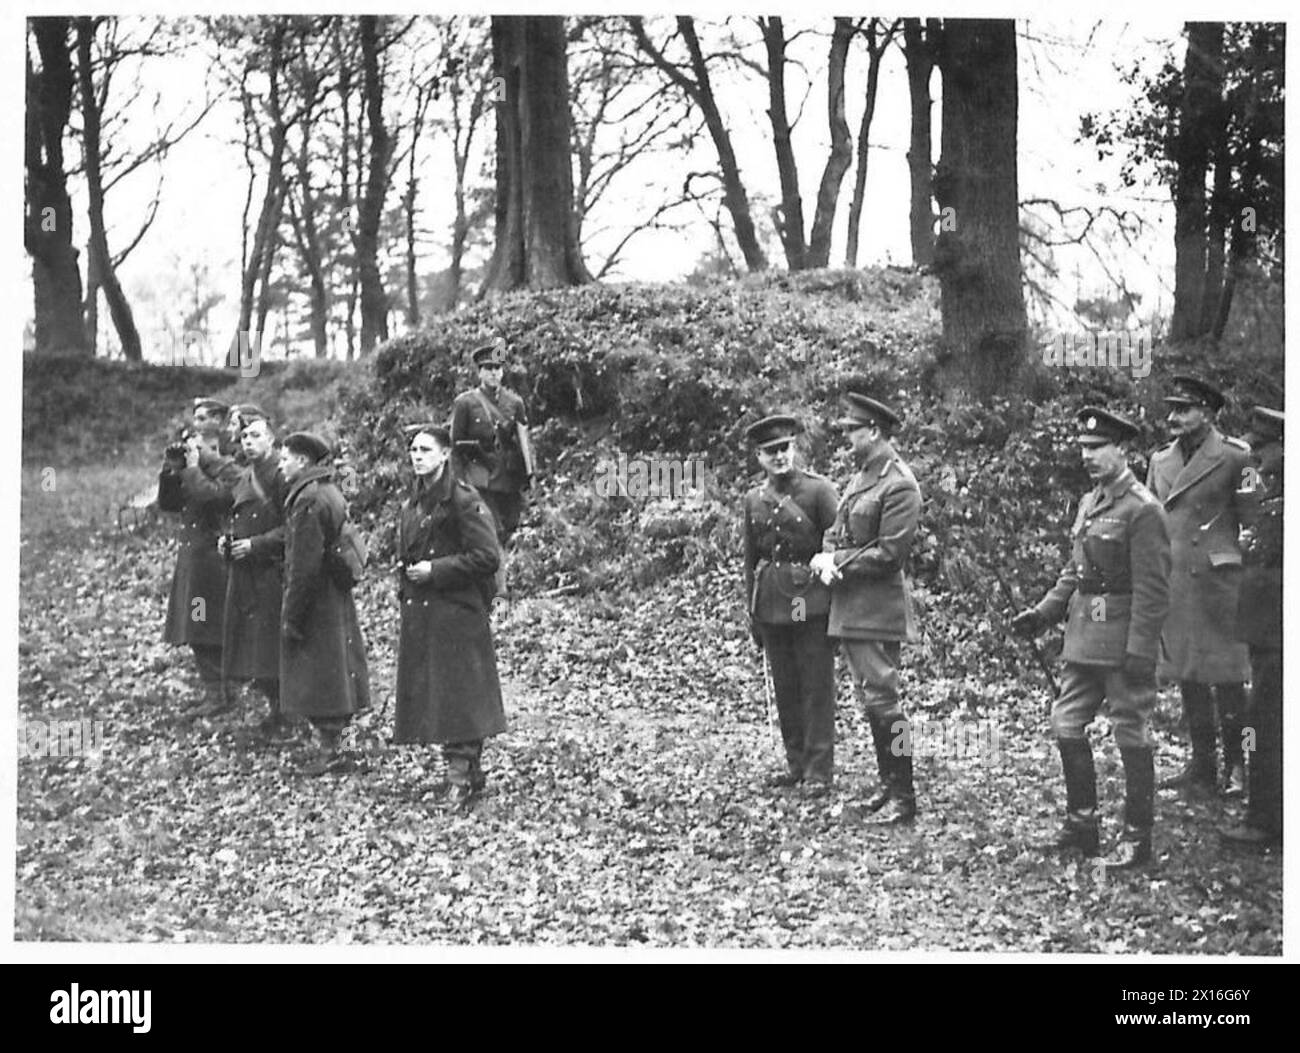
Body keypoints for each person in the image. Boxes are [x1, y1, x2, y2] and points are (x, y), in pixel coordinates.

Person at [1013, 407, 1171, 869]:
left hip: (1122, 642)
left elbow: (1154, 590)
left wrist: (1141, 650)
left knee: (1130, 734)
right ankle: (1082, 825)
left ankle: (1137, 839)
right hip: (1083, 639)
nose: (1088, 456)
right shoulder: (1090, 502)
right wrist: (1044, 613)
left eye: (1097, 448)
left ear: (1123, 450)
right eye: (1084, 448)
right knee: (1065, 723)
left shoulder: (1143, 510)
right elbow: (1075, 570)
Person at [810, 392, 922, 825]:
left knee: (884, 699)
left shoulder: (899, 484)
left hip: (876, 607)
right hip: (852, 603)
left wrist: (836, 561)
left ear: (874, 432)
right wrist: (827, 554)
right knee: (870, 699)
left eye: (853, 431)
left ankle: (904, 794)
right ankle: (888, 785)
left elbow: (890, 553)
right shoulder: (862, 478)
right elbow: (841, 531)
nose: (847, 439)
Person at [1146, 375, 1259, 797]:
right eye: (1172, 408)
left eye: (1184, 409)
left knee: (1228, 680)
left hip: (1219, 583)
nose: (1173, 417)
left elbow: (1257, 523)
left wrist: (1244, 567)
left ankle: (1238, 768)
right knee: (1188, 676)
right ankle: (1202, 767)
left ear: (1207, 413)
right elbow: (1154, 521)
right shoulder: (1160, 462)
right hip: (1177, 582)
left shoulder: (1236, 458)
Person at [393, 423, 506, 808]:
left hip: (458, 613)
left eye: (426, 449)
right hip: (425, 613)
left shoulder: (462, 499)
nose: (417, 456)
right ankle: (467, 774)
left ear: (445, 455)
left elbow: (488, 556)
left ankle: (460, 779)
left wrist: (436, 570)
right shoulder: (415, 500)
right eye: (413, 450)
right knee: (441, 697)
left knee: (459, 698)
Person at [742, 414, 839, 794]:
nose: (780, 457)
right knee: (785, 685)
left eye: (784, 449)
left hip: (808, 601)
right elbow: (750, 560)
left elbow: (837, 540)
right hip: (771, 604)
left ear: (793, 449)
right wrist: (752, 612)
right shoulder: (753, 499)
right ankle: (796, 762)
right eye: (771, 452)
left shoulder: (818, 491)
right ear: (759, 457)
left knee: (815, 684)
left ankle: (818, 770)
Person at [279, 432, 371, 775]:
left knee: (322, 678)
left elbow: (303, 566)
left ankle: (332, 752)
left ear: (303, 461)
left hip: (317, 600)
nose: (281, 463)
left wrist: (291, 616)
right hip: (334, 594)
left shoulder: (307, 499)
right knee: (338, 675)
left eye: (286, 457)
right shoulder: (328, 489)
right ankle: (343, 749)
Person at [1221, 406, 1283, 848]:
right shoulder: (1270, 496)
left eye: (1264, 449)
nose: (1257, 460)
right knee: (1259, 722)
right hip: (1264, 634)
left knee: (1265, 724)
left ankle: (1265, 820)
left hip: (1278, 636)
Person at [158, 396, 242, 707]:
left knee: (210, 625)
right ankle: (214, 690)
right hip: (195, 561)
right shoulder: (193, 463)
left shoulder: (232, 465)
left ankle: (222, 691)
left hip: (215, 559)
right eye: (196, 417)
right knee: (197, 625)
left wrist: (195, 468)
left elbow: (217, 499)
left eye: (207, 417)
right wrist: (171, 470)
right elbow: (168, 504)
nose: (199, 423)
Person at [216, 406, 289, 736]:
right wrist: (227, 542)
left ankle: (286, 712)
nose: (248, 442)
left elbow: (296, 528)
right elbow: (238, 517)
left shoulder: (281, 475)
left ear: (272, 440)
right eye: (244, 436)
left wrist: (257, 545)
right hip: (245, 573)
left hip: (273, 572)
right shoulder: (247, 476)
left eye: (256, 435)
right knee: (254, 645)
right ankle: (275, 708)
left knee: (272, 644)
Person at [450, 342, 532, 551]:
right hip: (480, 477)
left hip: (508, 475)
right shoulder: (465, 403)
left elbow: (523, 440)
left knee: (513, 525)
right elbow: (455, 446)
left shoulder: (515, 402)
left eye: (497, 369)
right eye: (488, 369)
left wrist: (529, 473)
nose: (494, 374)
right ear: (480, 372)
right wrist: (460, 482)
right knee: (491, 528)